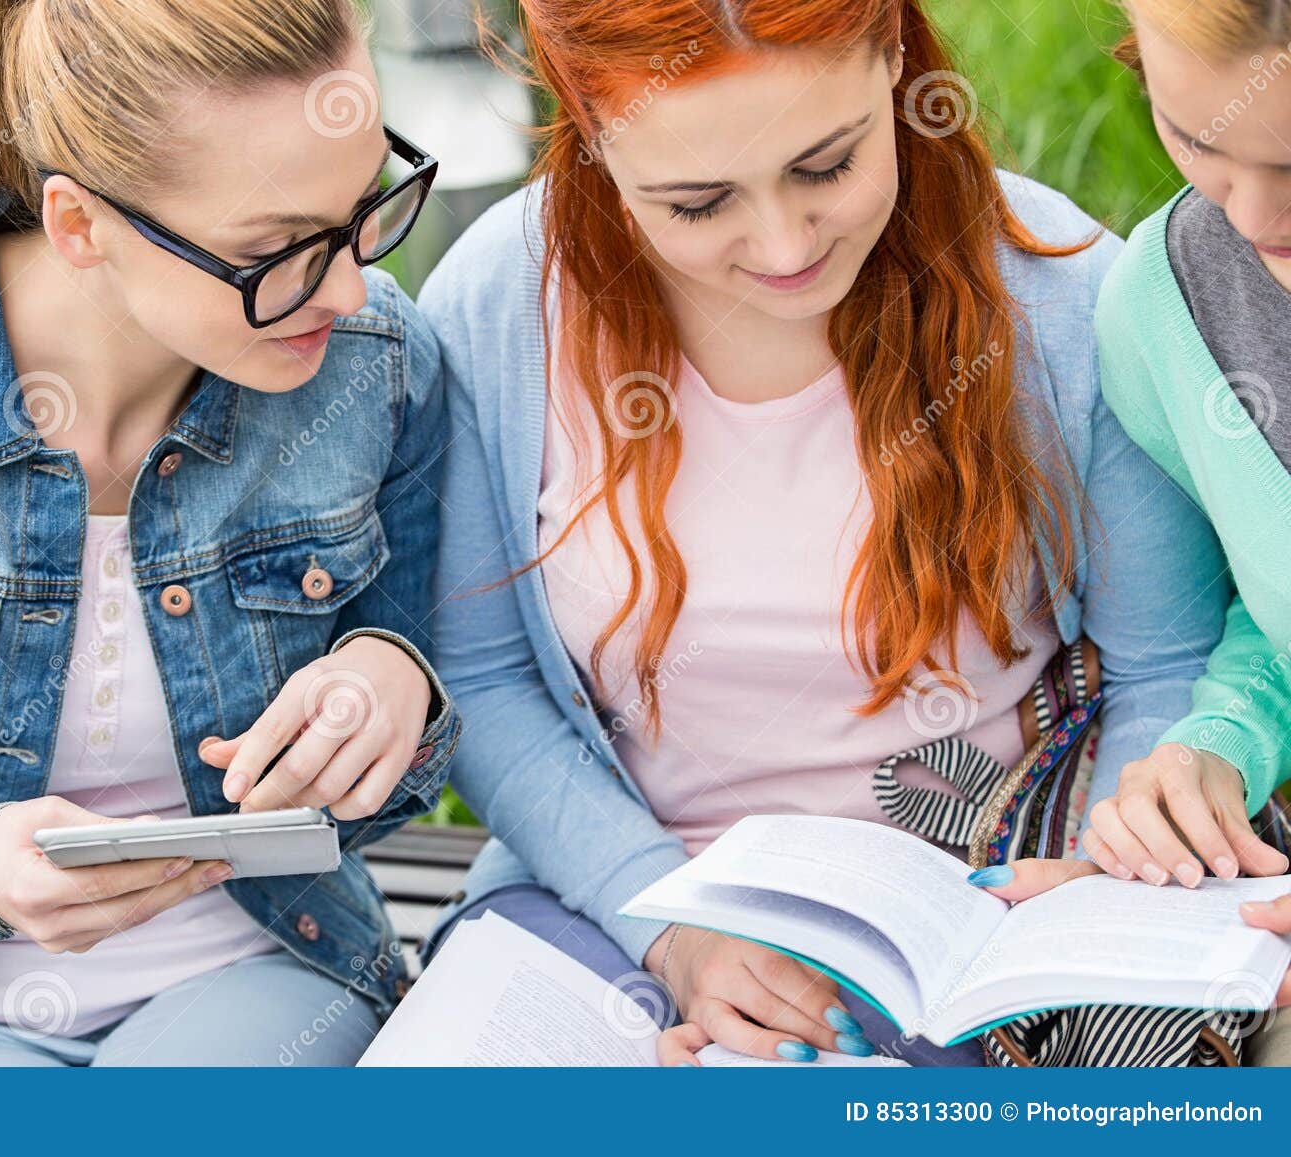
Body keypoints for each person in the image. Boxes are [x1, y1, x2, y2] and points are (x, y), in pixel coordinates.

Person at [421, 0, 1231, 1066]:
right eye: (698, 201)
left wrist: (1077, 897)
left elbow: (1163, 662)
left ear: (893, 54)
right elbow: (476, 676)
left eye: (826, 165)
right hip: (610, 894)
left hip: (967, 925)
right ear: (586, 124)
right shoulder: (501, 302)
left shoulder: (1062, 293)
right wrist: (667, 929)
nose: (784, 246)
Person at [0, 0, 457, 1067]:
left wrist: (394, 683)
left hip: (257, 960)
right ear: (80, 224)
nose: (346, 285)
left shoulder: (376, 357)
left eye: (362, 209)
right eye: (275, 251)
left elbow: (405, 747)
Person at [979, 0, 1291, 1061]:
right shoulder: (1165, 303)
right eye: (1196, 140)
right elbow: (1270, 609)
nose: (1251, 218)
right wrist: (1217, 742)